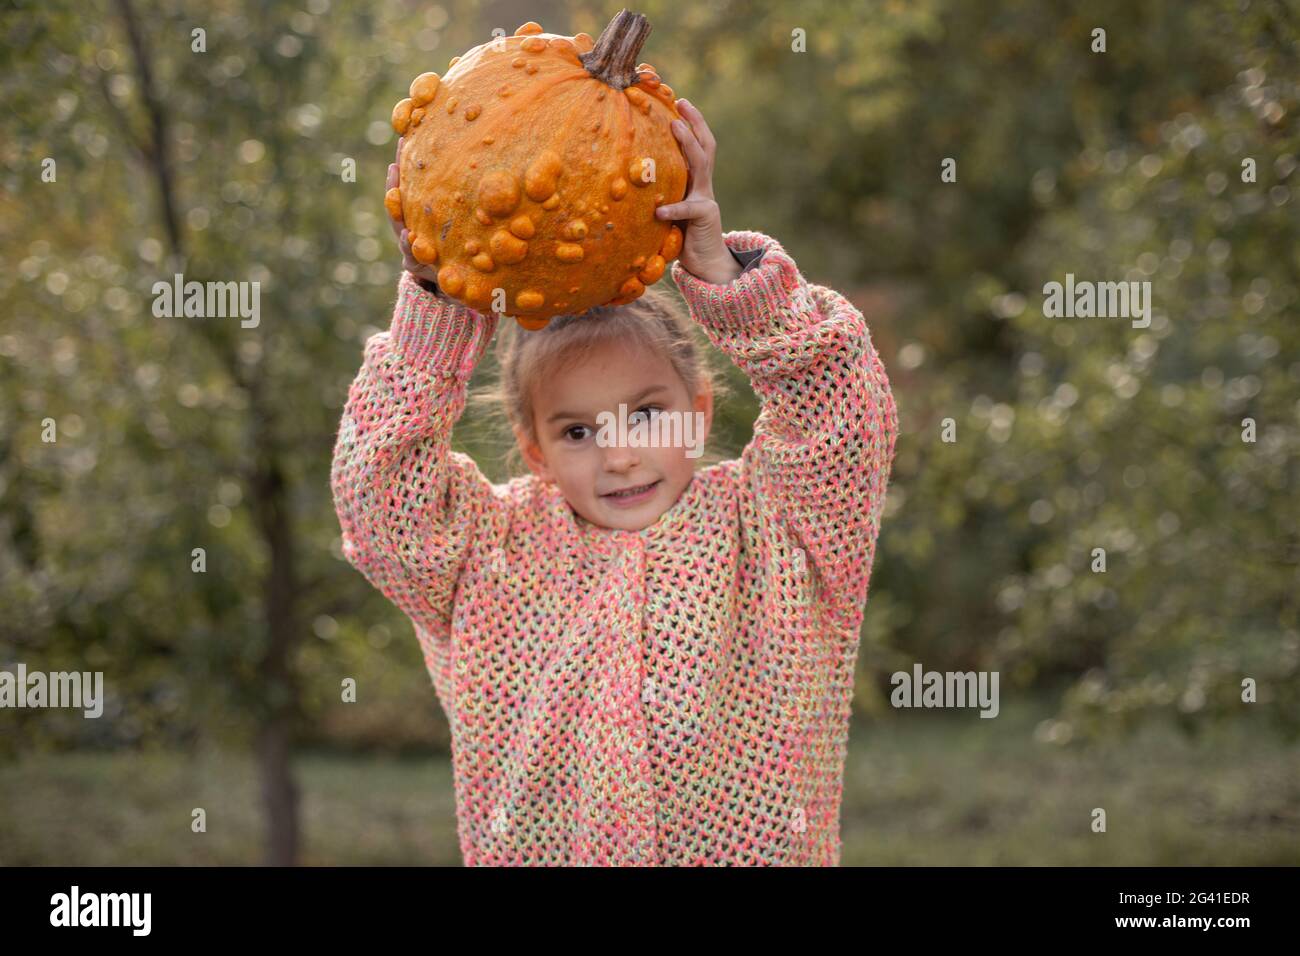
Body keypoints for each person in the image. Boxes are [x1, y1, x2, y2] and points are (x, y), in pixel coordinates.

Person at [330, 98, 899, 865]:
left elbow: (842, 411)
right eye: (577, 432)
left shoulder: (774, 525)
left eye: (647, 414)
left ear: (697, 410)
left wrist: (724, 276)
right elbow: (378, 499)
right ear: (535, 451)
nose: (621, 455)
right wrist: (439, 304)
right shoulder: (483, 551)